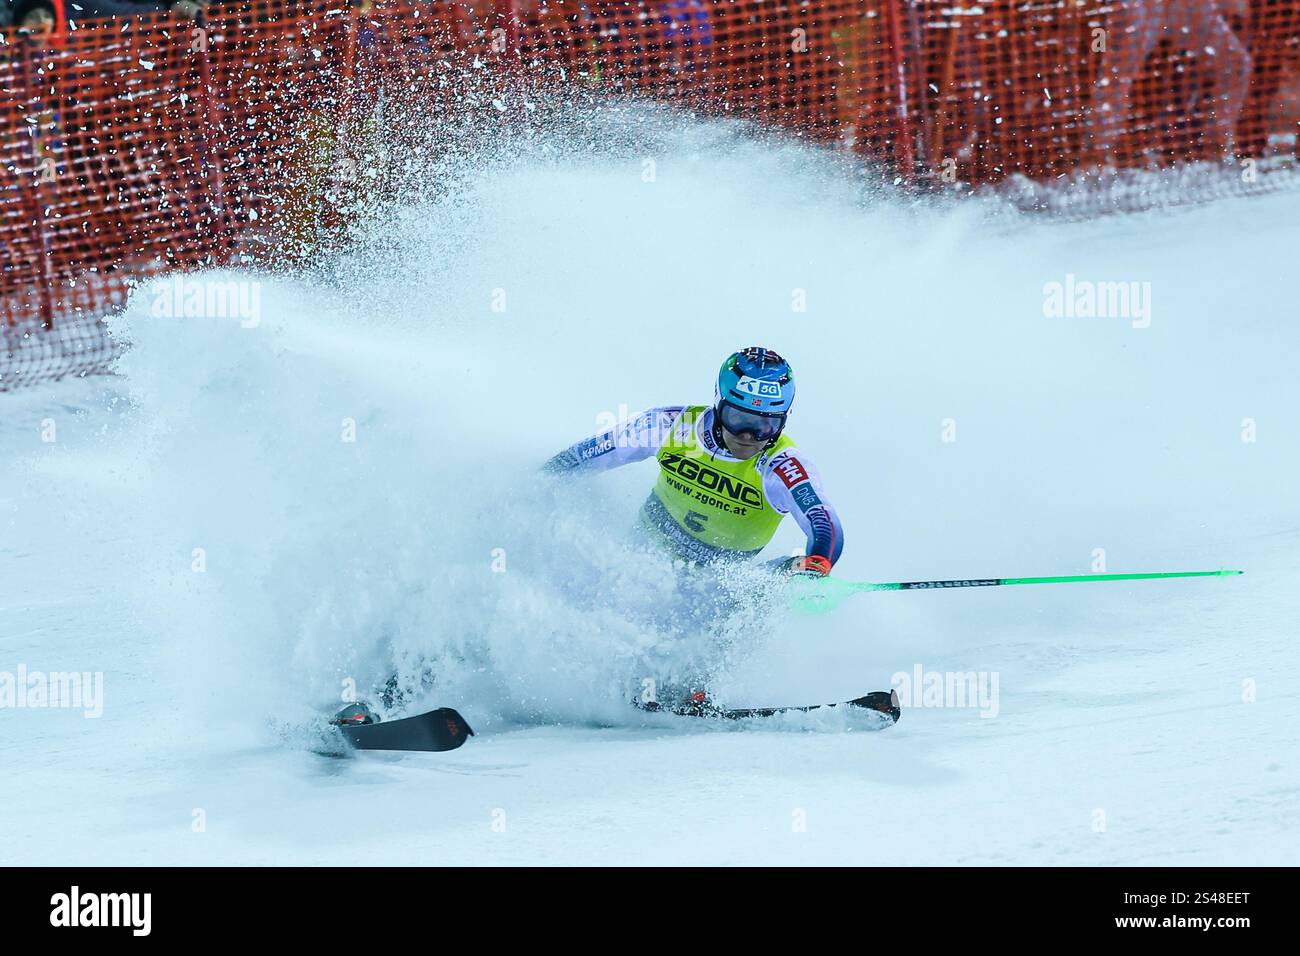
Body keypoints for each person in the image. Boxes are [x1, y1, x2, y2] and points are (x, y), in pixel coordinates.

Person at [544, 347, 844, 578]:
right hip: (640, 556)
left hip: (720, 581)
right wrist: (533, 485)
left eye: (767, 425)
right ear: (718, 404)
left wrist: (818, 562)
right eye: (737, 419)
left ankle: (789, 573)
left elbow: (823, 521)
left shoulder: (781, 465)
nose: (749, 436)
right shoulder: (669, 425)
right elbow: (579, 459)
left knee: (794, 572)